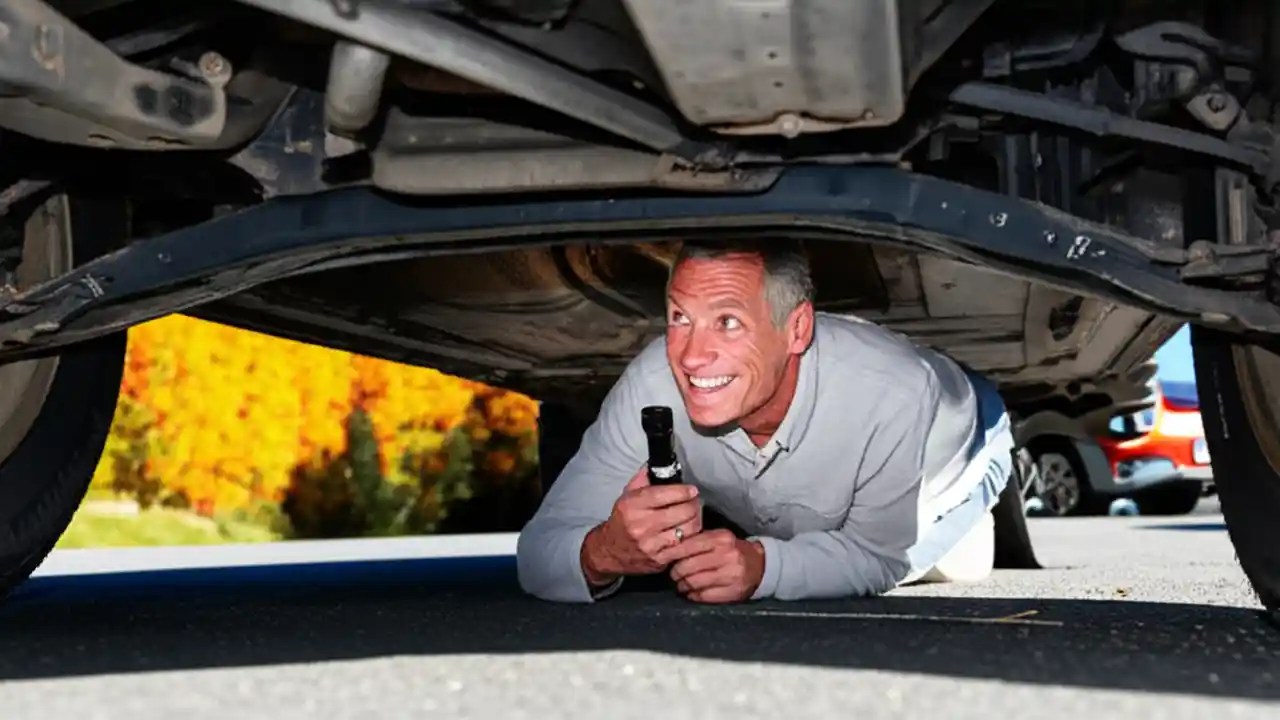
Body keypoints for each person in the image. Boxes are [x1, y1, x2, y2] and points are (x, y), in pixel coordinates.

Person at [516, 238, 1015, 604]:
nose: (691, 357)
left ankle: (960, 534)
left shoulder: (893, 394)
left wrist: (762, 568)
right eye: (679, 318)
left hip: (968, 441)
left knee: (909, 557)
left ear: (796, 329)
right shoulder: (653, 383)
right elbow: (539, 550)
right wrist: (603, 552)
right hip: (798, 503)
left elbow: (877, 558)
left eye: (727, 322)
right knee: (814, 541)